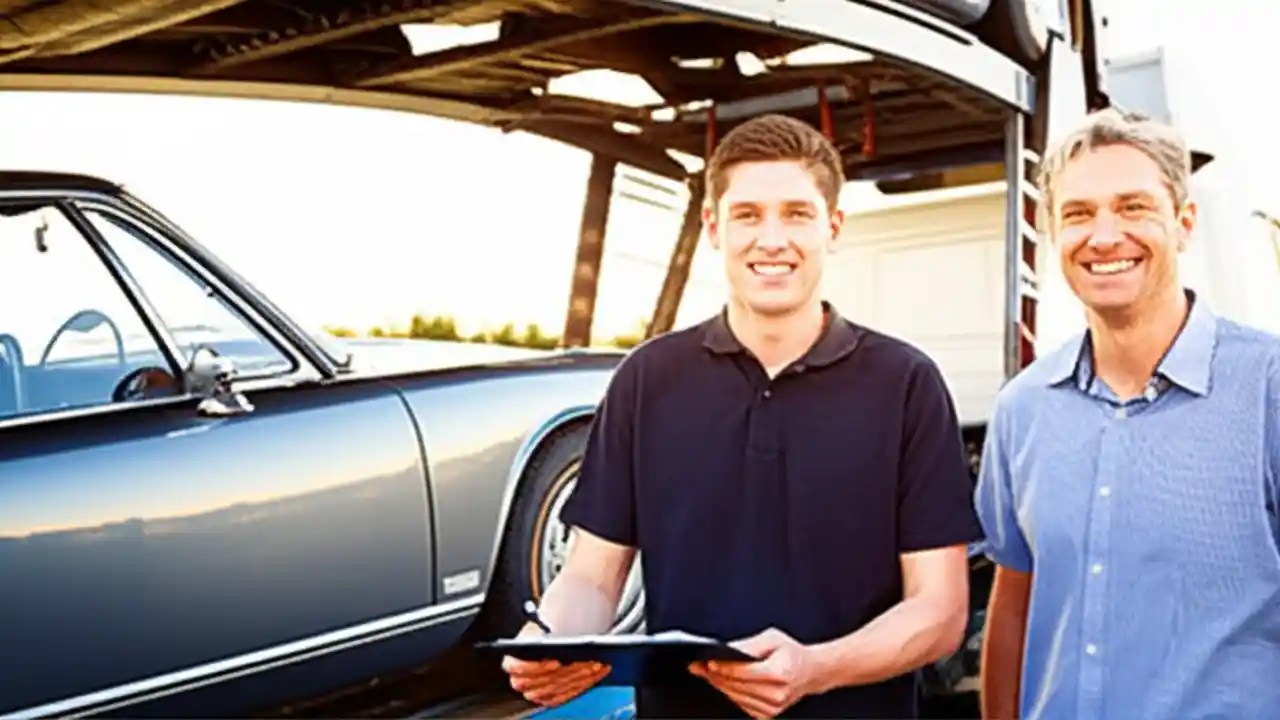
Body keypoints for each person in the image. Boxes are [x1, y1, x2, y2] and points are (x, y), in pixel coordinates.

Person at [500, 113, 982, 719]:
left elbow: (939, 612)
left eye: (797, 214)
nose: (772, 239)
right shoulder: (646, 380)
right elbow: (593, 578)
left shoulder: (907, 384)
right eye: (748, 215)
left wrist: (815, 669)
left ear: (832, 227)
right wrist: (552, 639)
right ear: (712, 228)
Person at [974, 108, 1280, 720]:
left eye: (1133, 207)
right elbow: (1015, 603)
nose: (1104, 236)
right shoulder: (1022, 409)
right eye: (1078, 214)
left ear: (1184, 222)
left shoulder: (1268, 389)